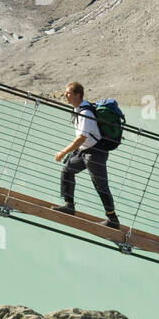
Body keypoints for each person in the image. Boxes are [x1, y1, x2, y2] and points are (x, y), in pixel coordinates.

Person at [51, 81, 121, 229]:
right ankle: (69, 205)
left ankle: (113, 220)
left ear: (78, 95)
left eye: (68, 93)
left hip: (95, 154)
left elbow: (81, 138)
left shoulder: (85, 113)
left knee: (100, 186)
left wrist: (63, 151)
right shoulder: (79, 109)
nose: (65, 95)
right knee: (67, 170)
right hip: (84, 151)